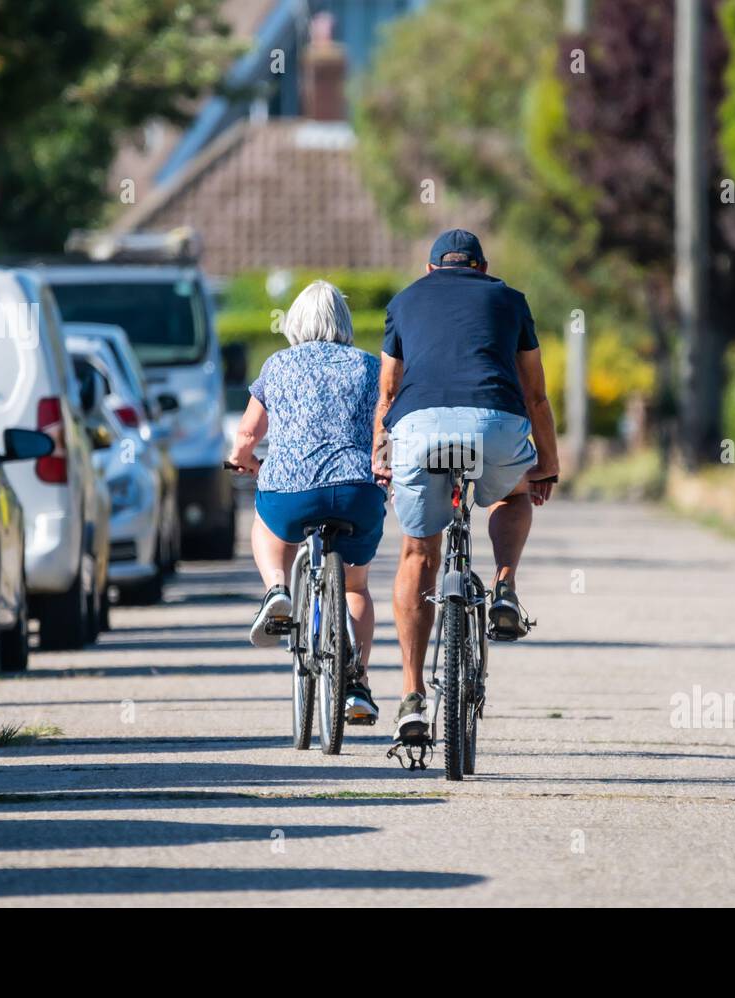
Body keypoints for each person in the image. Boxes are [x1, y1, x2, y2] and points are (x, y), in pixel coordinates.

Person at [373, 229, 558, 741]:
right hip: (493, 426)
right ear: (482, 268)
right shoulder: (509, 300)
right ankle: (503, 587)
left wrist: (381, 458)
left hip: (418, 432)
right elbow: (535, 394)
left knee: (417, 552)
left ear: (431, 270)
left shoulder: (404, 301)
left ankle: (412, 696)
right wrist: (546, 465)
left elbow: (388, 393)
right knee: (512, 491)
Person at [228, 280, 383, 723]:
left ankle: (277, 588)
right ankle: (358, 683)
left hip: (290, 492)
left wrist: (246, 463)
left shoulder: (276, 366)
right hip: (357, 489)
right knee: (355, 587)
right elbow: (385, 432)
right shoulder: (369, 367)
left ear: (294, 322)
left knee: (264, 521)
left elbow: (246, 436)